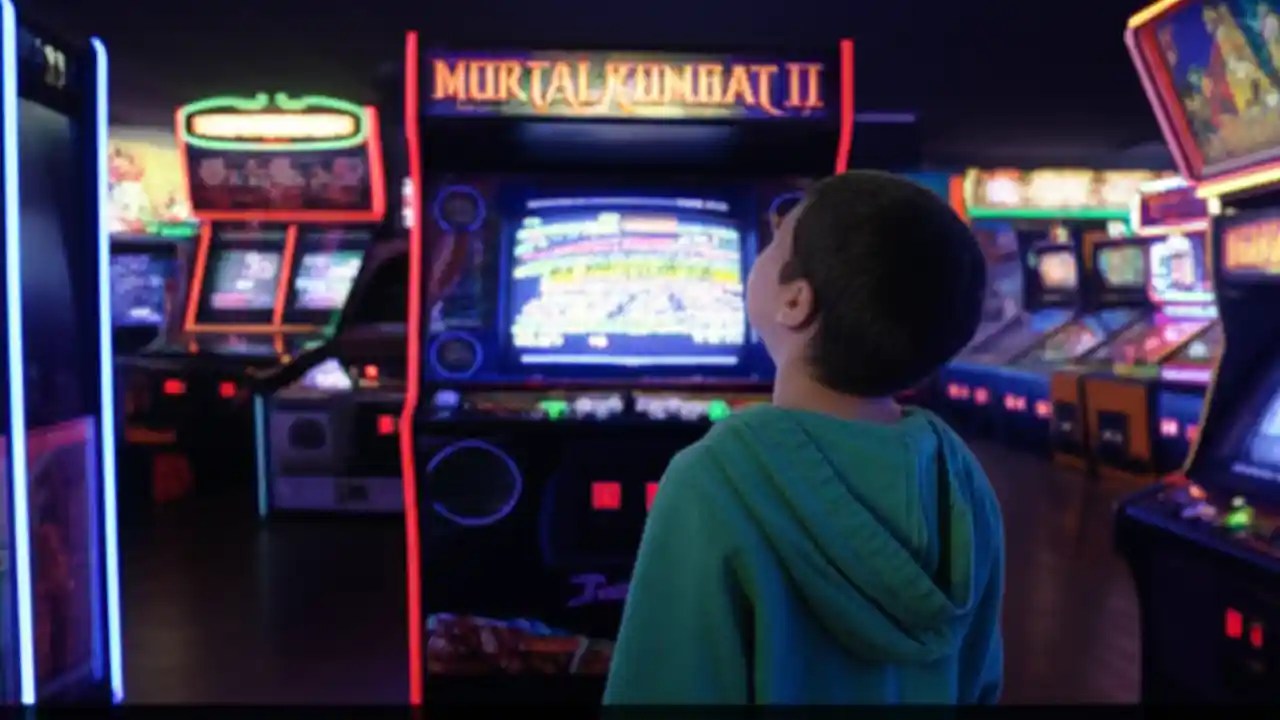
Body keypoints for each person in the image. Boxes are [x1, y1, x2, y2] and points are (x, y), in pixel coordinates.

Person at [603, 171, 1003, 705]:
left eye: (776, 241)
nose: (763, 250)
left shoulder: (717, 477)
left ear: (795, 301)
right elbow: (979, 682)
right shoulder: (960, 476)